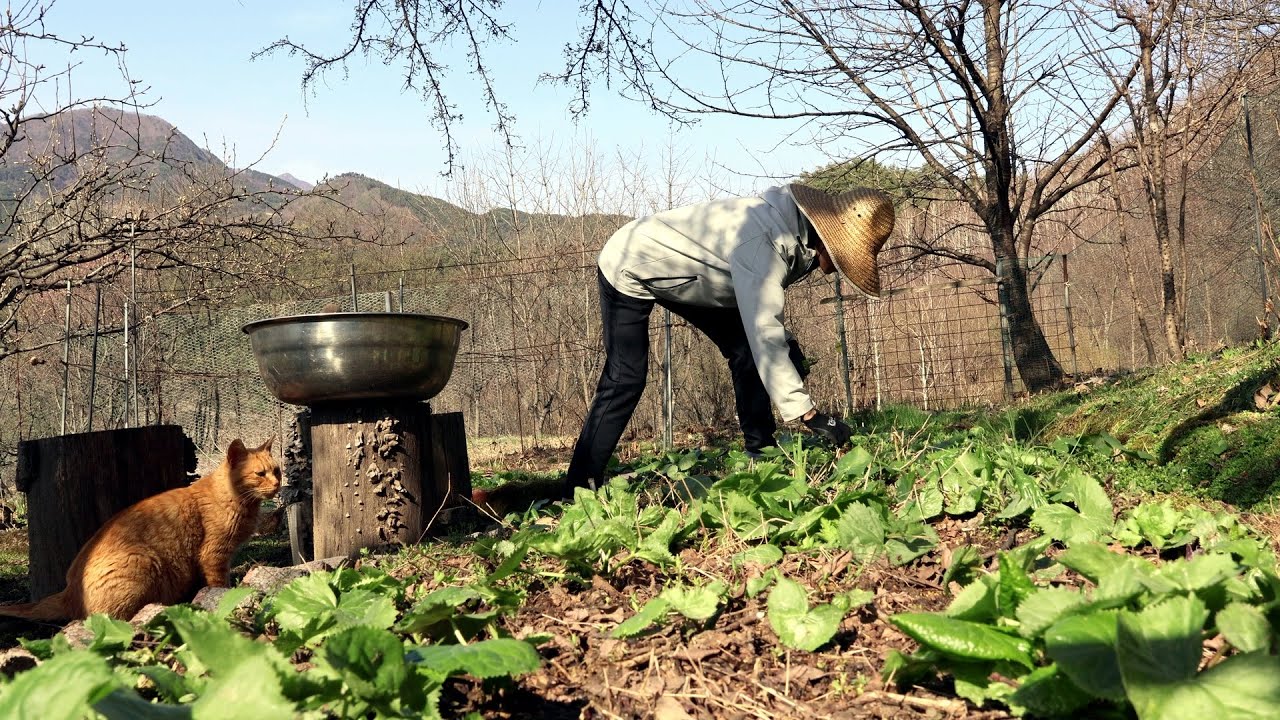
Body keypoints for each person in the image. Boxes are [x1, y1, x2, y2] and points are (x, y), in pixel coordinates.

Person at [564, 182, 895, 493]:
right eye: (843, 258)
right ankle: (579, 484)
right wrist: (809, 414)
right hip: (631, 262)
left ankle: (761, 456)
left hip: (698, 278)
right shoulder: (763, 243)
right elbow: (763, 329)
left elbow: (758, 321)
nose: (839, 268)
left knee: (752, 354)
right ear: (827, 237)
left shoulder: (795, 235)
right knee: (626, 377)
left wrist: (790, 354)